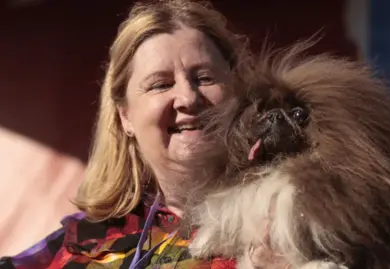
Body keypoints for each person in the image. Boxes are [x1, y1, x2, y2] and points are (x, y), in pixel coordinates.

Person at [0, 0, 251, 268]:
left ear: (241, 90)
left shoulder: (284, 218)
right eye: (161, 84)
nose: (188, 97)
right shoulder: (84, 248)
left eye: (204, 78)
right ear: (125, 116)